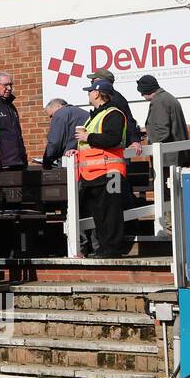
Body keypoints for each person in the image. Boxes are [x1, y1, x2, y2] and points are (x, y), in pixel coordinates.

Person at [72, 80, 129, 258]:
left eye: (90, 92)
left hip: (111, 172)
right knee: (99, 214)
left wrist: (88, 136)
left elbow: (112, 139)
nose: (88, 95)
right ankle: (104, 248)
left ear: (97, 94)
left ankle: (112, 249)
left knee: (111, 213)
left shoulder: (113, 114)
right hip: (93, 174)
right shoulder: (95, 115)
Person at [138, 75, 190, 169]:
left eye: (141, 92)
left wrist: (153, 142)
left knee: (166, 183)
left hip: (168, 158)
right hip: (177, 155)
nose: (142, 96)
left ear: (147, 90)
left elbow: (162, 131)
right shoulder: (167, 97)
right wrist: (148, 130)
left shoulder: (159, 101)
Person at [88, 69, 143, 147]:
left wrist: (134, 140)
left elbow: (129, 120)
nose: (91, 84)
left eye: (93, 81)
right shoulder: (105, 100)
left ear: (102, 82)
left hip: (114, 151)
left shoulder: (116, 99)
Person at [42, 98, 92, 169]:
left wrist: (47, 160)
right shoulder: (84, 113)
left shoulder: (60, 114)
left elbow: (55, 142)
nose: (51, 118)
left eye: (51, 115)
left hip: (70, 159)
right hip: (88, 157)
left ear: (58, 106)